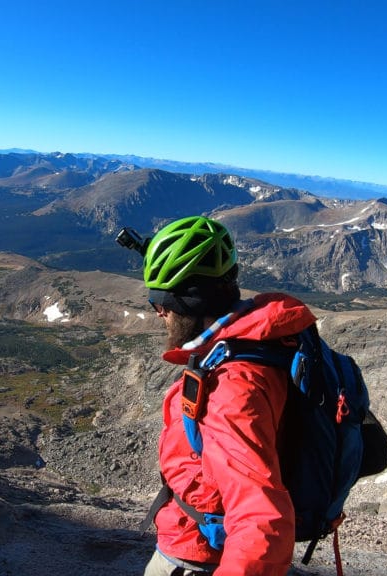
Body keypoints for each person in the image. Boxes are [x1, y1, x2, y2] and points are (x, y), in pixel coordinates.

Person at [127, 215, 318, 576]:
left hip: (199, 556)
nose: (159, 312)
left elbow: (261, 522)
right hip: (197, 539)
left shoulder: (231, 388)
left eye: (160, 302)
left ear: (190, 303)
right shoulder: (257, 341)